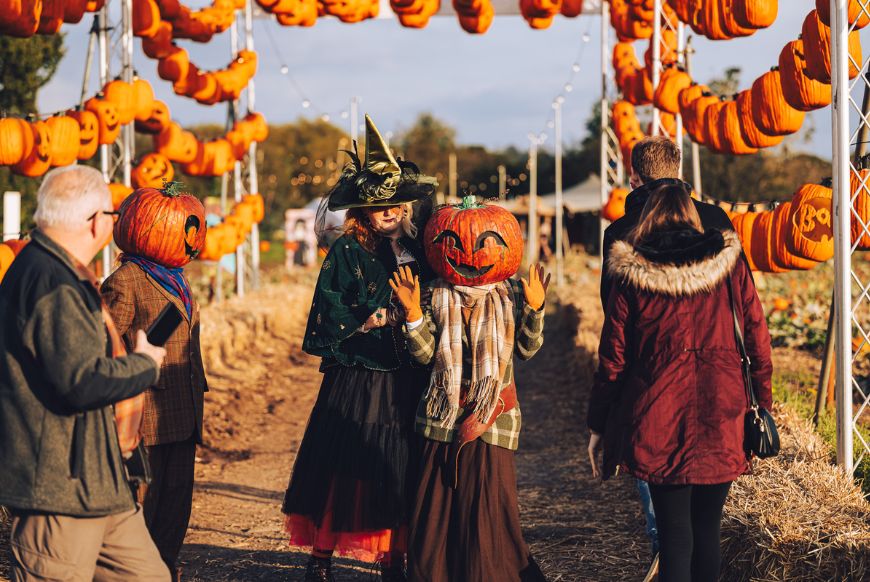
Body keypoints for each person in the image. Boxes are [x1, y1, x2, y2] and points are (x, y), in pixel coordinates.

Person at [587, 183, 773, 582]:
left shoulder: (630, 275)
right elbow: (759, 340)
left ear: (648, 220)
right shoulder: (730, 266)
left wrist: (599, 422)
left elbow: (613, 359)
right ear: (692, 216)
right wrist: (762, 408)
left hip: (659, 419)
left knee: (675, 535)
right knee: (708, 529)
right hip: (723, 413)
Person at [281, 114, 438, 582]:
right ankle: (321, 557)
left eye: (395, 203)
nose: (389, 212)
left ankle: (395, 558)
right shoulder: (349, 251)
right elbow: (330, 311)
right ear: (362, 212)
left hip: (409, 370)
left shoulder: (421, 248)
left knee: (399, 463)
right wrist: (376, 314)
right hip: (362, 374)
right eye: (378, 206)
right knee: (344, 462)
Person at [0, 165, 169, 581]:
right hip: (58, 487)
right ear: (96, 222)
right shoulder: (48, 280)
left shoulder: (64, 272)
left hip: (99, 479)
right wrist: (143, 365)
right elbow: (80, 381)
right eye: (112, 216)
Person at [391, 198, 550, 582]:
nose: (469, 254)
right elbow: (426, 355)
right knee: (437, 510)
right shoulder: (431, 293)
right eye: (455, 243)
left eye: (484, 244)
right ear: (438, 248)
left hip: (492, 419)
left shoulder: (510, 295)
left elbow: (527, 350)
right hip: (441, 418)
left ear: (505, 247)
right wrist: (413, 317)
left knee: (488, 508)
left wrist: (536, 309)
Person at [599, 136, 738, 564]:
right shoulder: (719, 223)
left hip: (652, 384)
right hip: (717, 385)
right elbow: (743, 310)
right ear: (679, 169)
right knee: (707, 527)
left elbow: (613, 318)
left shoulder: (622, 233)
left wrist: (602, 414)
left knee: (673, 527)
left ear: (634, 174)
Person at [101, 194, 209, 581]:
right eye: (186, 227)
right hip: (147, 414)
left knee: (176, 505)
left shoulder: (177, 277)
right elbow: (108, 348)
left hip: (184, 410)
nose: (193, 236)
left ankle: (164, 570)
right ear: (149, 227)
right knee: (143, 506)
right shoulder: (125, 280)